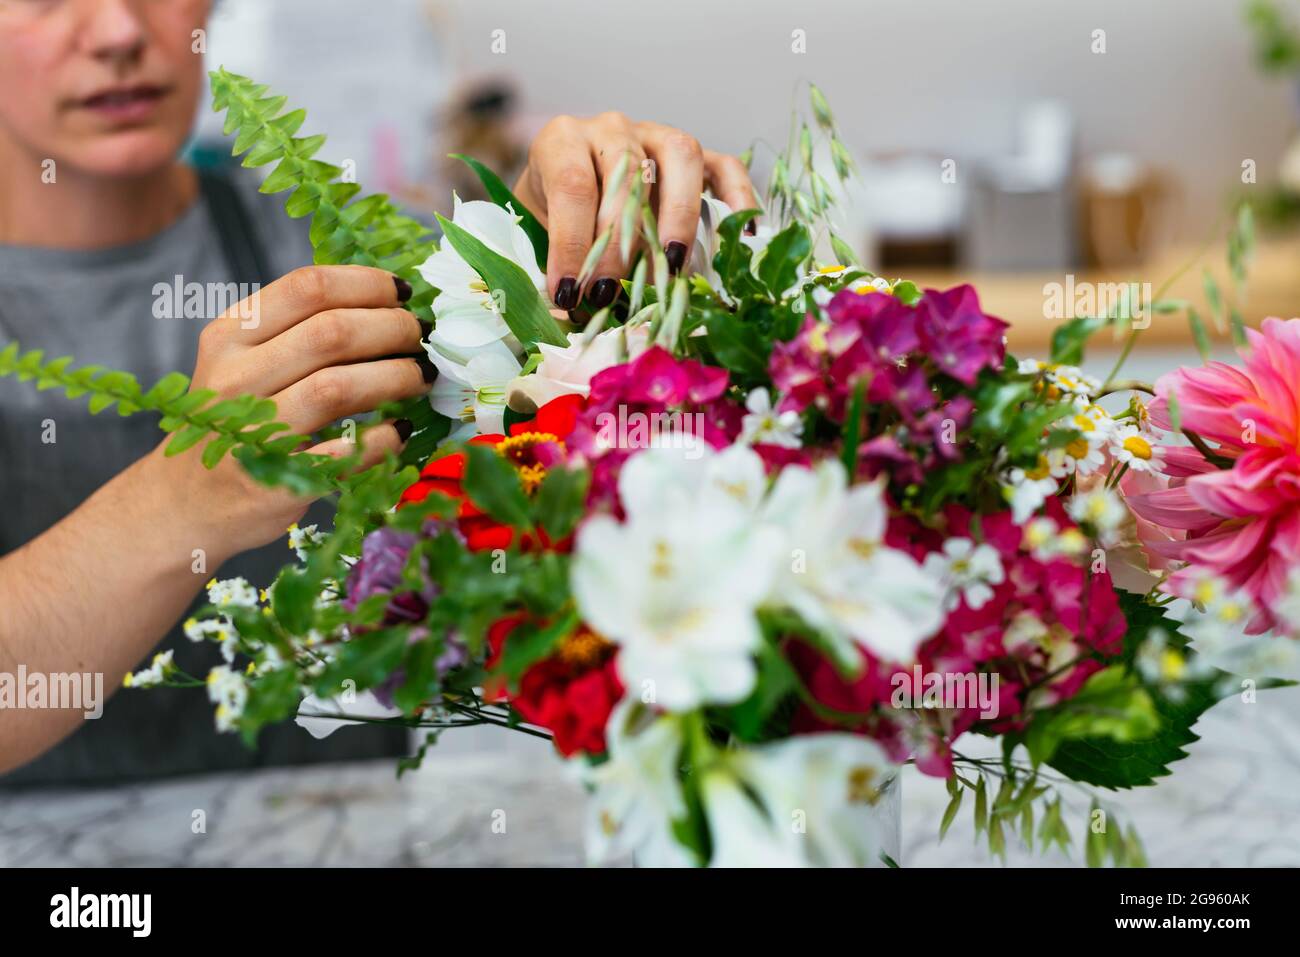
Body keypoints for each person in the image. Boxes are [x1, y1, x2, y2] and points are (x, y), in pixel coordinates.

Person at [0, 0, 757, 783]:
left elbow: (536, 364)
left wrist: (552, 237)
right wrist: (176, 501)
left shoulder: (345, 247)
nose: (120, 31)